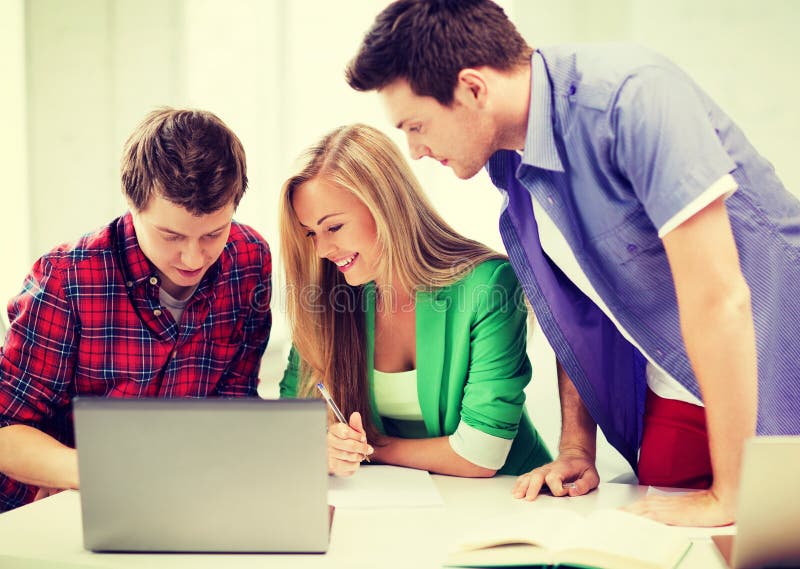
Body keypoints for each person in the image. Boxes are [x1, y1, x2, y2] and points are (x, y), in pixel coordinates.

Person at [345, 0, 800, 526]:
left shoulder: (631, 98)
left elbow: (720, 297)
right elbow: (575, 310)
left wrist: (734, 491)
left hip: (775, 369)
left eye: (417, 125)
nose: (416, 150)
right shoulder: (510, 169)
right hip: (678, 391)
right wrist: (576, 448)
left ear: (473, 88)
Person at [0, 108, 272, 512]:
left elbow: (234, 405)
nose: (194, 257)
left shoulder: (249, 260)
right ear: (133, 203)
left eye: (214, 233)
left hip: (180, 501)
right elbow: (7, 430)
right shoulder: (67, 279)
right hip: (55, 508)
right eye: (171, 235)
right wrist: (97, 473)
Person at [278, 123, 551, 477]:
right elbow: (289, 428)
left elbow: (481, 454)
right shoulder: (329, 298)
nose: (323, 250)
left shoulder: (489, 286)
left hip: (511, 498)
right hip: (400, 503)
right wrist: (324, 447)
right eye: (311, 233)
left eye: (333, 227)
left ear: (386, 207)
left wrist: (368, 448)